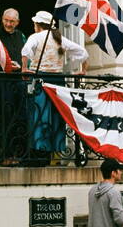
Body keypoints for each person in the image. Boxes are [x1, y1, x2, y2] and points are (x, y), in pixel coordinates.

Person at [22, 11, 88, 165]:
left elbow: (25, 51)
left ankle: (40, 152)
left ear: (38, 25)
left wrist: (24, 68)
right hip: (58, 81)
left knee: (40, 115)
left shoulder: (36, 37)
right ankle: (55, 152)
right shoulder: (60, 39)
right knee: (57, 117)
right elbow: (83, 52)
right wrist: (83, 70)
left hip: (42, 80)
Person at [0, 8, 28, 166]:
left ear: (17, 22)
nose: (8, 24)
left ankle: (20, 156)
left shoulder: (21, 36)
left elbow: (26, 57)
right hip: (3, 83)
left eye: (12, 21)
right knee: (6, 118)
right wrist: (6, 65)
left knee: (21, 119)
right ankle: (4, 157)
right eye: (6, 20)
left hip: (20, 84)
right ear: (2, 19)